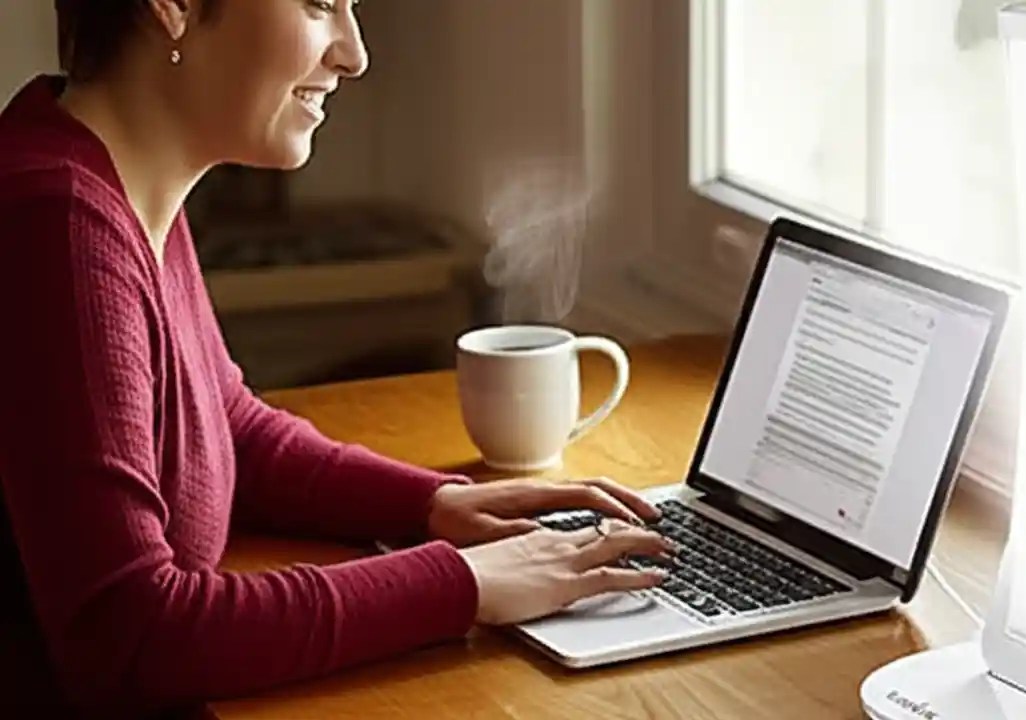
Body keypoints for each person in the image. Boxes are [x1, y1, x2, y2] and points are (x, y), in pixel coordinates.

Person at [0, 1, 672, 717]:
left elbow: (224, 425)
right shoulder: (59, 226)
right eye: (319, 4)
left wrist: (432, 502)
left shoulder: (111, 177)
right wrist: (462, 583)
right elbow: (132, 635)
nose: (353, 53)